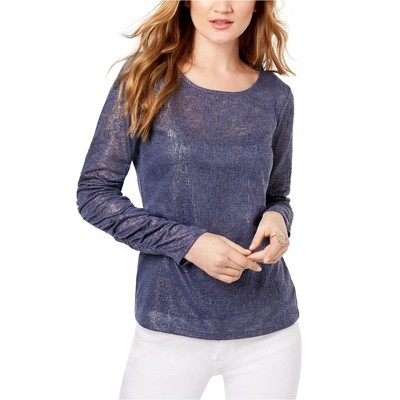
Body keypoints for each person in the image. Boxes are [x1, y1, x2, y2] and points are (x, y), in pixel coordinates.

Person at [76, 1, 302, 398]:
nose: (223, 6)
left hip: (269, 330)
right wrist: (191, 244)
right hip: (170, 326)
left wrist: (278, 219)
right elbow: (94, 193)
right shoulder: (144, 82)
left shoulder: (275, 96)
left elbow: (277, 194)